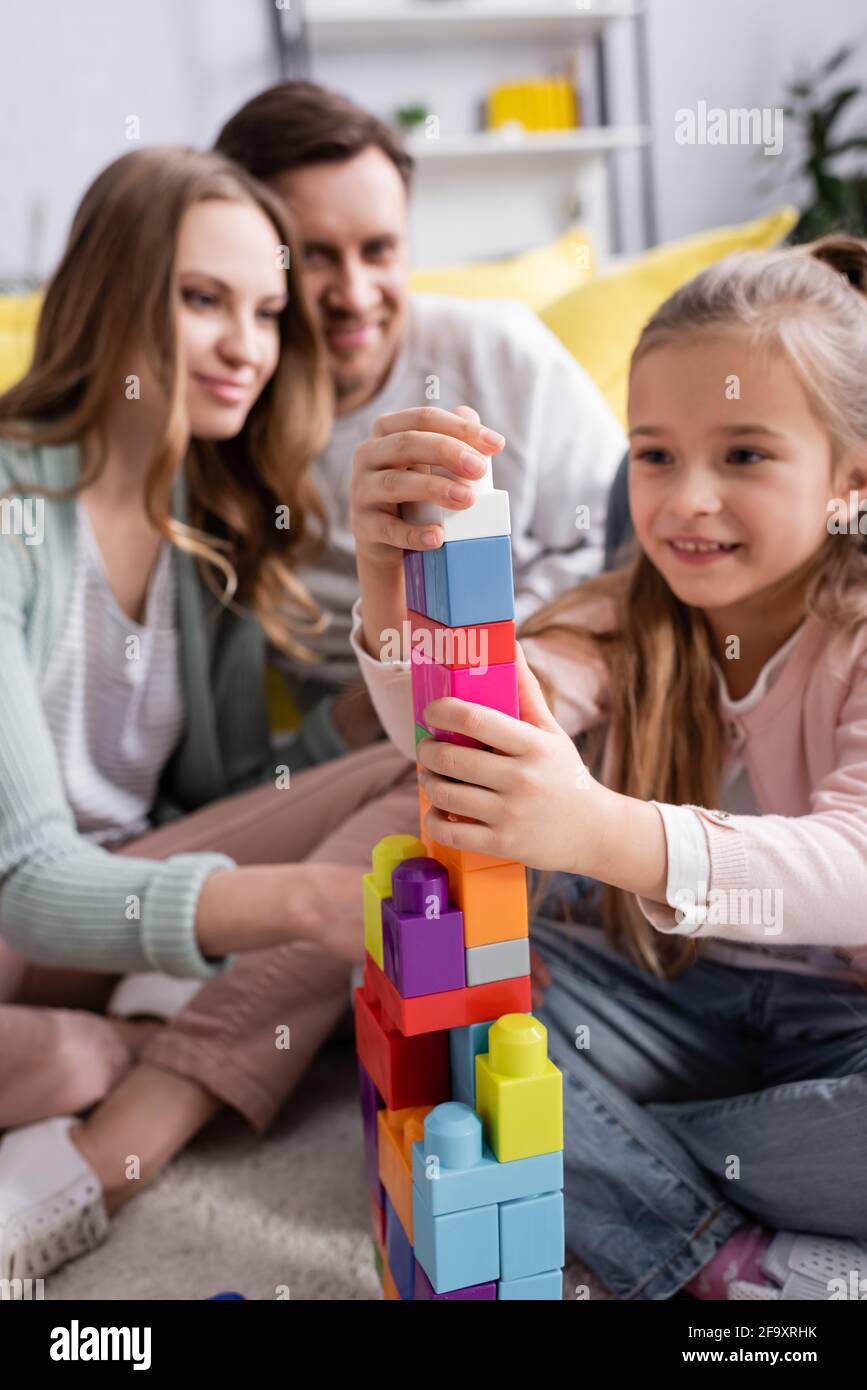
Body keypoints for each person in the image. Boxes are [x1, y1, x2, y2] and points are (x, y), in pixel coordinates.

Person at [348, 235, 867, 1299]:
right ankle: (727, 1258)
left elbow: (852, 864)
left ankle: (624, 1163)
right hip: (673, 1000)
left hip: (844, 1040)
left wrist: (599, 830)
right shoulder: (624, 620)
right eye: (655, 454)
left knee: (523, 1123)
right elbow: (460, 724)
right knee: (472, 992)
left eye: (745, 455)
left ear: (851, 483)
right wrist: (385, 583)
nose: (687, 500)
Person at [0, 147, 431, 1281]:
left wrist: (366, 710)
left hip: (103, 912)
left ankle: (118, 1133)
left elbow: (233, 787)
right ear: (111, 295)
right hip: (24, 917)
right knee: (64, 1040)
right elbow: (29, 883)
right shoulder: (10, 509)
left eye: (268, 311)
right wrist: (306, 904)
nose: (248, 346)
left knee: (431, 760)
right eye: (202, 301)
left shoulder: (214, 513)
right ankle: (116, 1050)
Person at [214, 81, 627, 762]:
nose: (354, 294)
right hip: (361, 741)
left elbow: (625, 551)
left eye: (378, 251)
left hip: (547, 685)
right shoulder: (221, 407)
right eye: (314, 255)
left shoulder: (501, 352)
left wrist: (481, 649)